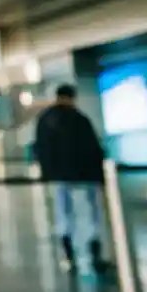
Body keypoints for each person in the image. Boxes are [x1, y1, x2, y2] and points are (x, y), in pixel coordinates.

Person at [33, 84, 110, 273]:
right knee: (92, 214)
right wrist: (100, 176)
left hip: (59, 176)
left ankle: (69, 256)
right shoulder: (79, 119)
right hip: (85, 175)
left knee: (63, 214)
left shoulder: (46, 119)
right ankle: (95, 255)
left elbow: (41, 149)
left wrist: (47, 173)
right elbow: (93, 148)